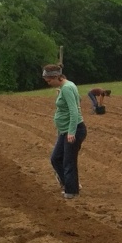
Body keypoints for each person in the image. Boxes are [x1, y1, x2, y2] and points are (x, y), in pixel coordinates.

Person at [42, 63, 86, 199]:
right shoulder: (66, 86)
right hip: (65, 130)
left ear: (56, 77)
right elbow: (78, 99)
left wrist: (71, 132)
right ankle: (70, 183)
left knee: (68, 161)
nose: (48, 83)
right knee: (56, 158)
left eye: (49, 81)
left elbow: (74, 110)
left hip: (72, 130)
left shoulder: (67, 88)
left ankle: (72, 191)